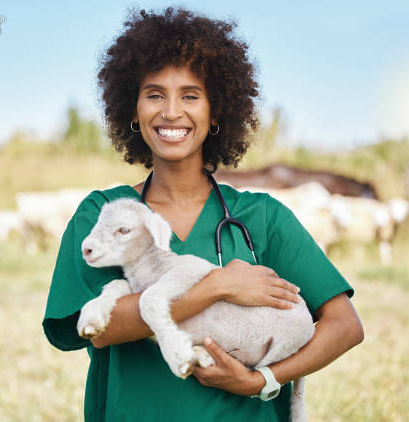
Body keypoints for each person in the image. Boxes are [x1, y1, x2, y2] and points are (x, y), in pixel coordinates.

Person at [43, 7, 364, 422]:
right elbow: (100, 330)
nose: (171, 111)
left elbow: (344, 325)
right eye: (154, 94)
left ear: (216, 113)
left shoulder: (262, 217)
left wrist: (263, 379)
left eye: (190, 96)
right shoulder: (103, 214)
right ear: (132, 108)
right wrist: (217, 285)